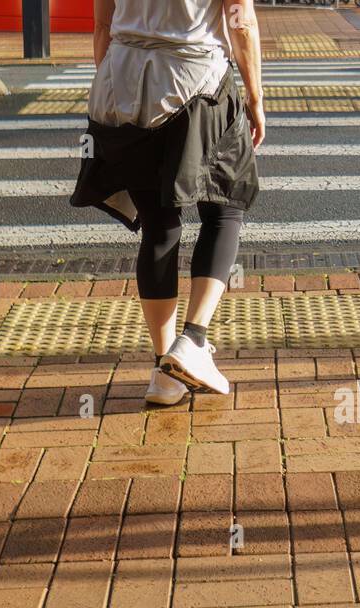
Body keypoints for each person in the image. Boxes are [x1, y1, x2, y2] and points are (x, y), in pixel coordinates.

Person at [71, 0, 265, 403]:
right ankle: (193, 339)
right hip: (194, 81)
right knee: (225, 207)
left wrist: (116, 82)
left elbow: (102, 25)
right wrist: (255, 96)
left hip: (121, 81)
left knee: (159, 226)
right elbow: (241, 22)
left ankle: (164, 371)